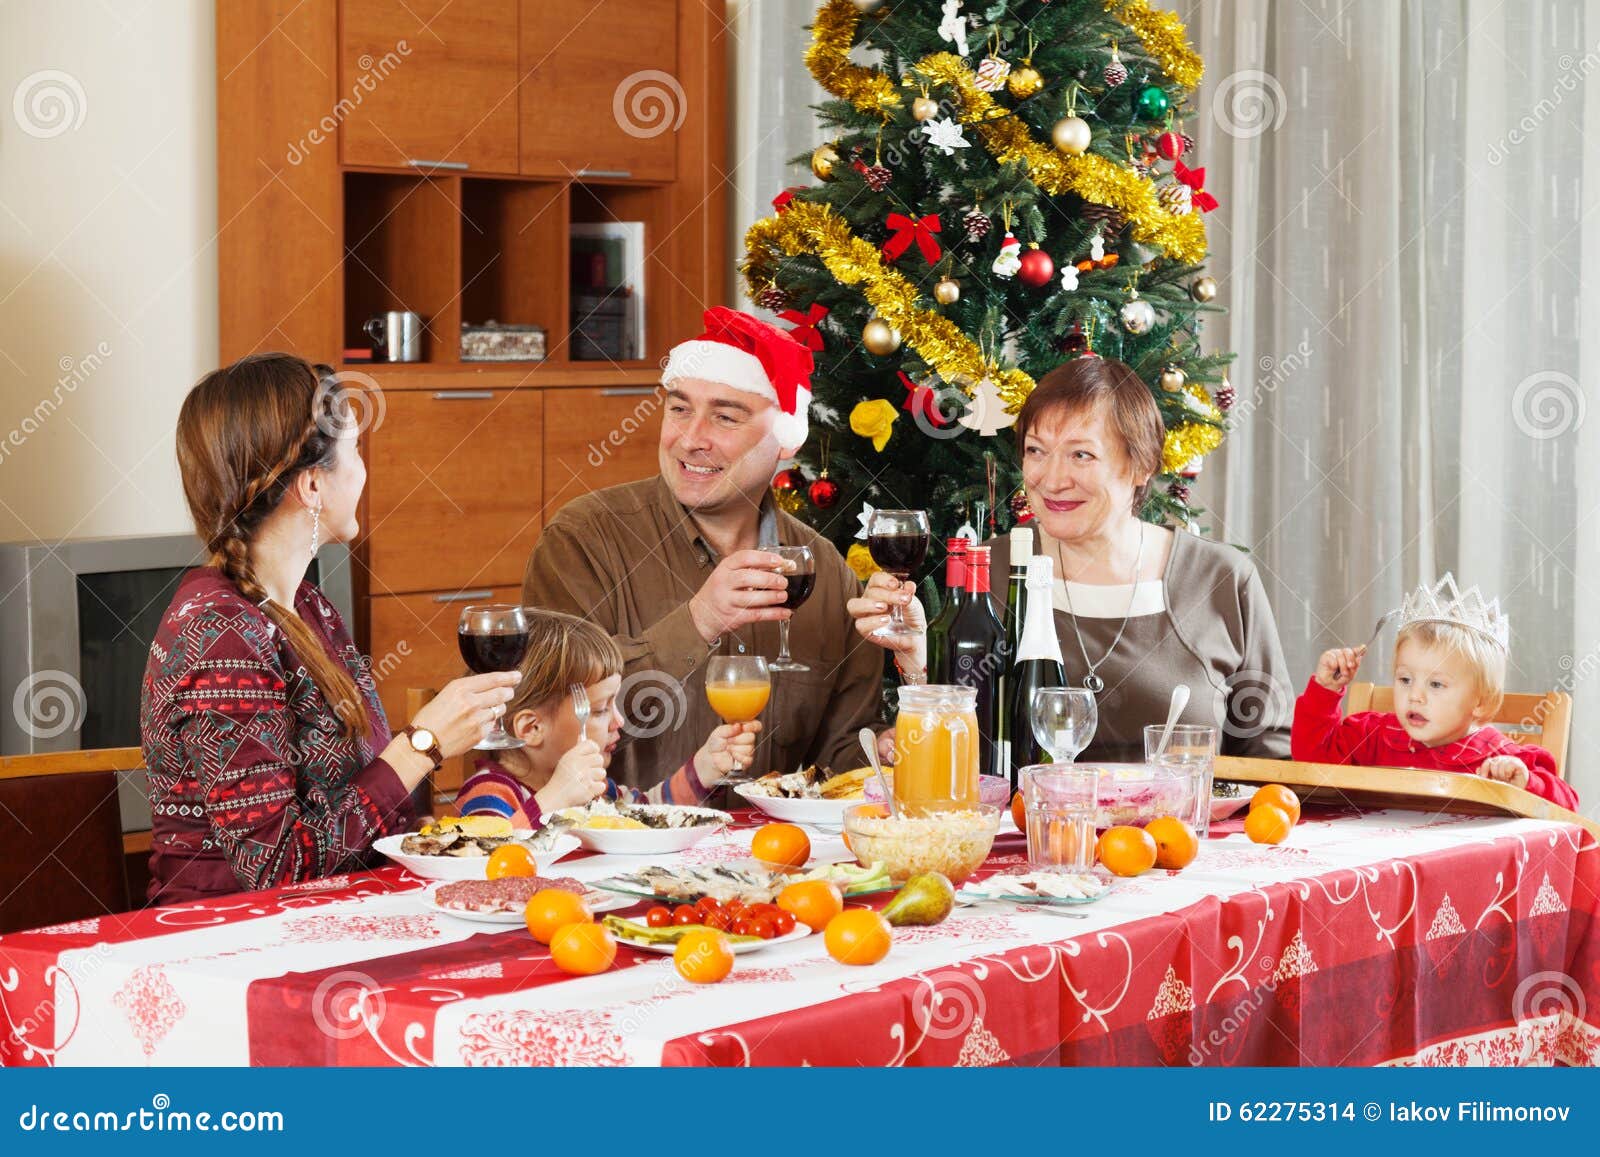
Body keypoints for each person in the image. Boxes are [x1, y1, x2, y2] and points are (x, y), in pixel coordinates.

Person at [141, 354, 521, 903]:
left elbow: (353, 812)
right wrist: (424, 745)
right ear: (313, 486)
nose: (364, 471)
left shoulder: (307, 607)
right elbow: (276, 870)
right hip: (228, 940)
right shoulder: (222, 634)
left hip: (334, 917)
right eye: (356, 452)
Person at [849, 356, 1293, 762]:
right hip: (1025, 844)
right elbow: (954, 754)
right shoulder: (988, 571)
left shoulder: (1221, 579)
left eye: (1081, 454)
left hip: (1178, 844)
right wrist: (916, 656)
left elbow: (1270, 755)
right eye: (1036, 451)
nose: (1052, 479)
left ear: (1141, 466)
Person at [523, 307, 889, 787]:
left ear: (784, 440)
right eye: (679, 409)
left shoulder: (822, 570)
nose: (690, 439)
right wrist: (698, 622)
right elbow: (546, 730)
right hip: (614, 850)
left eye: (724, 417)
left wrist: (889, 748)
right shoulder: (584, 539)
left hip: (775, 856)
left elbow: (841, 756)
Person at [1292, 575, 1579, 808]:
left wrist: (1526, 782)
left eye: (1436, 684)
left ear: (1480, 702)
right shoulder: (1374, 737)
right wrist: (1325, 691)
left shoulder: (1497, 759)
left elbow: (1567, 805)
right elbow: (1311, 764)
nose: (1415, 695)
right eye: (1405, 679)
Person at [454, 611, 758, 826]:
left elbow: (647, 816)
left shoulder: (595, 788)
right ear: (532, 728)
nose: (619, 722)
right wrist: (553, 799)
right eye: (600, 710)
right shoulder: (490, 795)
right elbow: (485, 864)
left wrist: (704, 768)